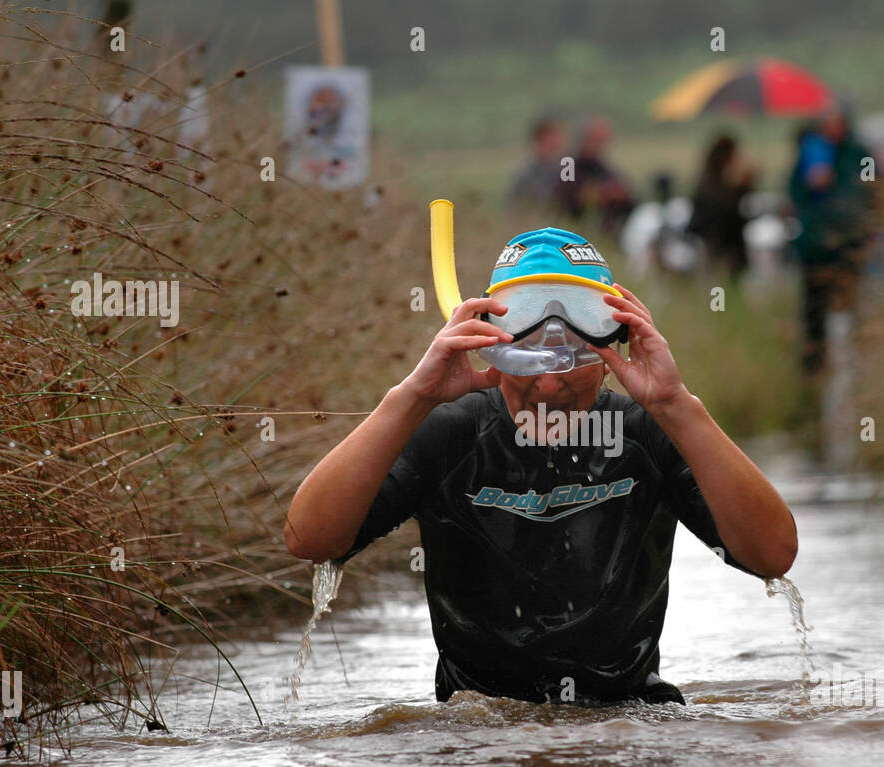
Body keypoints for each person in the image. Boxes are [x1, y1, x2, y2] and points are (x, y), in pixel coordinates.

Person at [285, 227, 798, 706]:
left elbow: (772, 555)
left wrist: (678, 405)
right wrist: (410, 398)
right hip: (475, 743)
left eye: (574, 357)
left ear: (611, 351)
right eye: (526, 358)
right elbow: (308, 539)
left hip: (628, 734)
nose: (550, 386)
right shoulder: (449, 434)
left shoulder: (649, 433)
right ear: (489, 348)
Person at [787, 103, 874, 374]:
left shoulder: (858, 154)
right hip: (815, 248)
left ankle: (852, 366)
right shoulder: (812, 151)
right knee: (814, 312)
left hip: (849, 245)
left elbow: (871, 193)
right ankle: (814, 369)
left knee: (847, 307)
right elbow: (794, 192)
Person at [688, 134, 756, 277]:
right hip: (718, 243)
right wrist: (743, 186)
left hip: (721, 242)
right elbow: (723, 210)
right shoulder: (713, 183)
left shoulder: (711, 179)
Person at [560, 117, 635, 235]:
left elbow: (628, 196)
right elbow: (565, 198)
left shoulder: (602, 167)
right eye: (595, 140)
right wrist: (601, 194)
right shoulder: (568, 163)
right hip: (575, 232)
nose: (600, 145)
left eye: (603, 141)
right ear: (583, 139)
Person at [506, 115, 565, 210]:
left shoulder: (567, 172)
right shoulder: (525, 177)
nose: (556, 144)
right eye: (550, 143)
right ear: (538, 141)